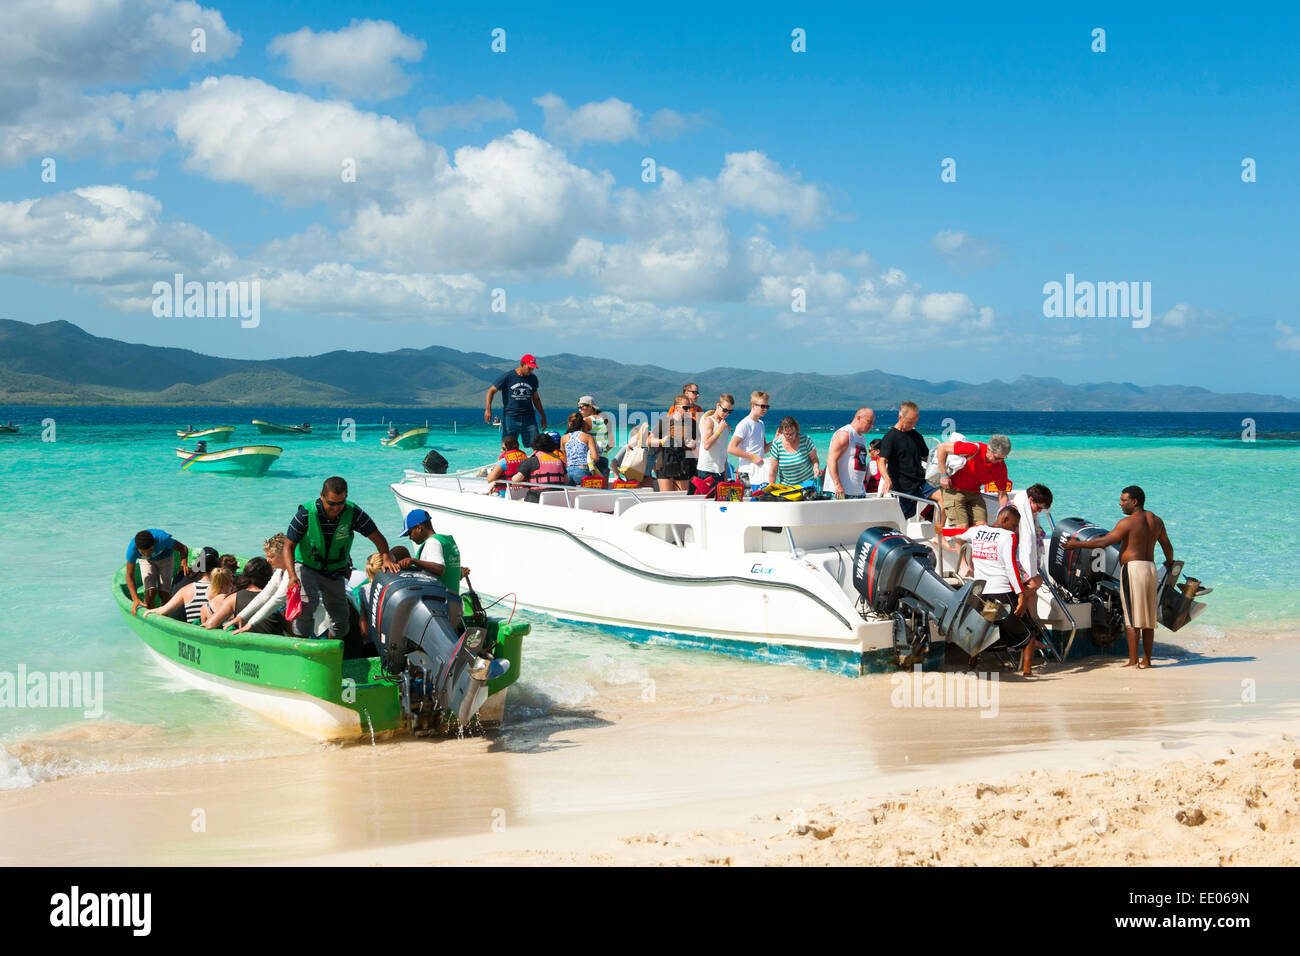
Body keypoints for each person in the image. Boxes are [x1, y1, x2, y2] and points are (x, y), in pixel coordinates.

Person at [1062, 485, 1174, 669]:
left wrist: (1078, 544)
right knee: (1148, 618)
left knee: (1131, 617)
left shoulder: (1127, 522)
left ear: (1135, 501)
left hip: (1133, 570)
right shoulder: (1156, 520)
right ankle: (1146, 661)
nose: (1120, 503)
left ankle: (1133, 661)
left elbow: (1105, 541)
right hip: (1150, 569)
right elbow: (1167, 546)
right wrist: (1169, 563)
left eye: (1124, 500)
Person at [282, 476, 397, 641]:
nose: (336, 508)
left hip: (334, 570)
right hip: (307, 566)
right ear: (322, 495)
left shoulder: (353, 513)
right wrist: (292, 575)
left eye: (340, 503)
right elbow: (288, 546)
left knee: (341, 616)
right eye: (331, 503)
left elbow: (377, 537)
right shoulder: (306, 513)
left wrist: (386, 557)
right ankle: (301, 645)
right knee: (307, 603)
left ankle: (332, 649)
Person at [952, 507, 1045, 676]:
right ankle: (1027, 674)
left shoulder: (977, 531)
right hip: (1003, 595)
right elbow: (1011, 568)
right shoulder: (1008, 537)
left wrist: (940, 530)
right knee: (1030, 634)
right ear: (1004, 520)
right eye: (1014, 524)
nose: (1015, 529)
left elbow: (956, 533)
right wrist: (1021, 596)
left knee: (983, 631)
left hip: (983, 596)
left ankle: (971, 668)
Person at [877, 401, 944, 525]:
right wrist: (887, 479)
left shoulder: (916, 435)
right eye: (909, 422)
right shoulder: (890, 437)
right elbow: (881, 461)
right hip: (903, 486)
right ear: (900, 417)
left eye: (914, 422)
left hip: (921, 482)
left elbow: (926, 457)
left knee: (942, 498)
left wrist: (944, 462)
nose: (912, 425)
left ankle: (937, 535)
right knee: (902, 517)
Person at [935, 434, 1012, 529]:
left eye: (1003, 458)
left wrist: (1004, 518)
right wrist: (943, 475)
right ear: (989, 449)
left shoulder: (1001, 467)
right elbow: (941, 447)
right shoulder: (973, 449)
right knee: (962, 527)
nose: (1000, 461)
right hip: (953, 488)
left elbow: (1002, 494)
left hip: (974, 493)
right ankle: (946, 539)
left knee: (981, 528)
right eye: (997, 458)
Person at [398, 509, 471, 595]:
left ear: (418, 528)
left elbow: (439, 569)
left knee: (399, 551)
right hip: (453, 603)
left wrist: (413, 561)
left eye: (409, 533)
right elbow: (448, 574)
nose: (410, 538)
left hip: (439, 603)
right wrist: (461, 573)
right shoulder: (448, 542)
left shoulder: (432, 542)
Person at [232, 534, 292, 634]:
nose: (268, 560)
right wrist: (240, 616)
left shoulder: (294, 570)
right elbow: (264, 596)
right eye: (267, 556)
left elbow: (277, 600)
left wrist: (251, 623)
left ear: (285, 554)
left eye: (271, 556)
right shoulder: (279, 572)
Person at [142, 547, 218, 625]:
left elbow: (162, 610)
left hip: (179, 621)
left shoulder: (183, 583)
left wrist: (148, 611)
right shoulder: (219, 589)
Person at [485, 354, 547, 448]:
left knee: (537, 446)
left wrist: (543, 416)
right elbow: (491, 391)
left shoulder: (533, 378)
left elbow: (536, 399)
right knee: (507, 447)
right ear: (522, 364)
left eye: (533, 368)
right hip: (510, 417)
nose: (531, 371)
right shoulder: (508, 377)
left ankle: (533, 462)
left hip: (529, 418)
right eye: (529, 368)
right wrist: (488, 409)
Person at [124, 529, 190, 611]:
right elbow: (129, 576)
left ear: (154, 543)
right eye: (142, 552)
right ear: (137, 549)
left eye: (150, 550)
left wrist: (183, 563)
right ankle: (148, 615)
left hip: (166, 558)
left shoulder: (163, 539)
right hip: (146, 561)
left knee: (164, 593)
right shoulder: (132, 550)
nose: (148, 554)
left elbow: (182, 548)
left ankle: (165, 615)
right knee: (150, 592)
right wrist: (135, 599)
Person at [1009, 483, 1053, 596]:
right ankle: (1017, 604)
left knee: (1034, 593)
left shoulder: (1029, 512)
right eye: (1038, 507)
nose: (1039, 511)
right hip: (1011, 559)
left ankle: (1030, 614)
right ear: (1030, 499)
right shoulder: (1011, 513)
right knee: (1035, 583)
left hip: (1018, 557)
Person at [648, 395, 699, 491]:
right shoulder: (664, 422)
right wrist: (662, 441)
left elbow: (700, 441)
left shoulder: (692, 423)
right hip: (665, 463)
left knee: (681, 498)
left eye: (689, 408)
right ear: (676, 408)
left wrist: (693, 443)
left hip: (683, 464)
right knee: (666, 498)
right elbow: (649, 441)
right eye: (685, 408)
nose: (688, 411)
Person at [822, 407, 875, 498]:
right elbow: (831, 460)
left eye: (872, 423)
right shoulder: (845, 434)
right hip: (841, 492)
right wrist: (838, 485)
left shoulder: (862, 439)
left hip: (857, 492)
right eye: (869, 422)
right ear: (858, 418)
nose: (872, 426)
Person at [729, 391, 771, 486]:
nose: (765, 409)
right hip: (746, 472)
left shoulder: (761, 424)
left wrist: (776, 439)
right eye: (762, 406)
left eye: (767, 407)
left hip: (759, 471)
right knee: (748, 500)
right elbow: (731, 448)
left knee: (760, 499)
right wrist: (752, 457)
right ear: (753, 405)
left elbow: (763, 450)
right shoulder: (744, 424)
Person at [695, 394, 735, 490]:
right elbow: (706, 445)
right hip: (706, 470)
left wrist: (725, 475)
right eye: (725, 410)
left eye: (729, 411)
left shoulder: (726, 426)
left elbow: (724, 452)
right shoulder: (709, 421)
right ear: (718, 406)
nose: (726, 413)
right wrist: (719, 430)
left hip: (720, 472)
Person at [512, 432, 567, 501]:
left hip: (538, 496)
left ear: (535, 446)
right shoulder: (559, 461)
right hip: (558, 496)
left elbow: (516, 479)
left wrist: (513, 479)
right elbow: (565, 480)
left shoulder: (532, 461)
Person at [767, 416, 820, 486]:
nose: (790, 436)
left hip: (807, 485)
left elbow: (814, 458)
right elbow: (773, 470)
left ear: (797, 430)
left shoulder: (805, 440)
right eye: (787, 434)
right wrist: (771, 486)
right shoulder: (777, 444)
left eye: (792, 433)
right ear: (782, 432)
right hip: (787, 488)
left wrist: (816, 467)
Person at [562, 412, 602, 484]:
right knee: (585, 494)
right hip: (582, 469)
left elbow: (565, 458)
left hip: (568, 470)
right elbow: (595, 457)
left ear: (569, 423)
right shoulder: (587, 437)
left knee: (569, 494)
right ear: (582, 424)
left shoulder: (563, 438)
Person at [579, 396, 613, 475]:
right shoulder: (605, 420)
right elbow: (612, 443)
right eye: (578, 407)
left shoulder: (586, 420)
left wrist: (594, 453)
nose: (579, 409)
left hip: (590, 459)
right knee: (603, 485)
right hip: (604, 457)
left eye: (581, 407)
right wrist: (602, 451)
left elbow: (585, 443)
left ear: (590, 406)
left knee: (590, 485)